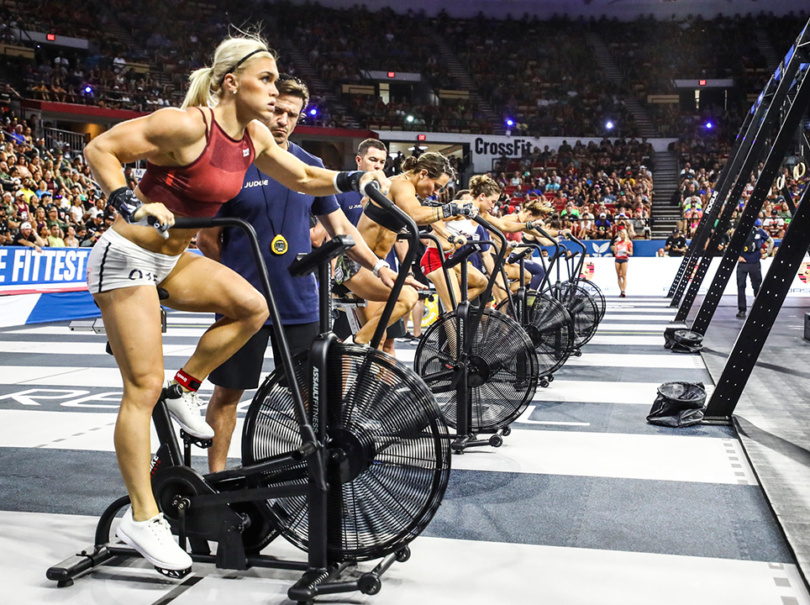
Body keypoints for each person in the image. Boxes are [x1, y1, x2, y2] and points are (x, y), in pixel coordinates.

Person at [81, 33, 389, 574]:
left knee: (252, 307)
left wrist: (351, 177)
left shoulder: (252, 136)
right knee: (140, 388)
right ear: (231, 82)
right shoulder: (186, 125)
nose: (275, 92)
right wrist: (131, 200)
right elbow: (100, 148)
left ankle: (185, 385)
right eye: (266, 80)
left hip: (173, 261)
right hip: (127, 253)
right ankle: (142, 515)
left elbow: (300, 175)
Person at [196, 75, 399, 474]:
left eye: (292, 113)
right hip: (244, 305)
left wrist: (377, 265)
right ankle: (216, 478)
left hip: (301, 302)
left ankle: (306, 472)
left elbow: (341, 227)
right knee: (227, 394)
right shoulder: (232, 161)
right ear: (263, 108)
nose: (283, 119)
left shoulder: (311, 165)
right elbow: (207, 240)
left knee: (314, 396)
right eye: (277, 110)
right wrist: (235, 283)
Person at [336, 151, 473, 346]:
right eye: (436, 186)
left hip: (375, 266)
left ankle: (361, 360)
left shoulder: (401, 187)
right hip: (357, 264)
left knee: (381, 338)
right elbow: (415, 215)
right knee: (408, 298)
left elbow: (367, 202)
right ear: (423, 174)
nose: (436, 192)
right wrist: (450, 209)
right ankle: (355, 343)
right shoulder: (402, 184)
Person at [736, 219, 774, 319]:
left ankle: (758, 308)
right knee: (741, 286)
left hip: (754, 263)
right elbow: (733, 245)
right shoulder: (741, 232)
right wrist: (737, 256)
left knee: (756, 286)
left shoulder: (760, 232)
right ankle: (742, 309)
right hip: (743, 263)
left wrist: (767, 253)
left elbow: (771, 241)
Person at [611, 226, 632, 297]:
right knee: (619, 275)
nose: (621, 234)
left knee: (624, 275)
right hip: (618, 258)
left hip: (624, 258)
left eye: (622, 233)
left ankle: (624, 290)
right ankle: (621, 290)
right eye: (620, 233)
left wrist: (626, 252)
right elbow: (615, 252)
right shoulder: (617, 242)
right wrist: (616, 245)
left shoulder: (628, 242)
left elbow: (631, 253)